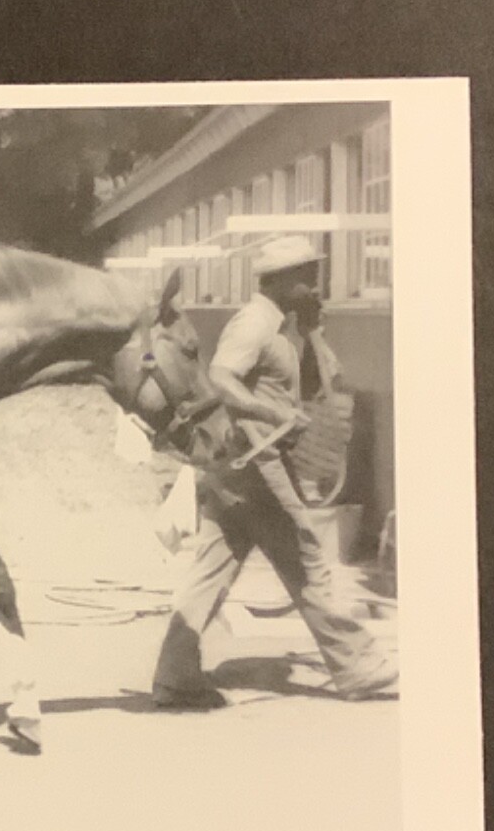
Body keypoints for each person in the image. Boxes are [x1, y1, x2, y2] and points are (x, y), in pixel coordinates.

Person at [152, 235, 399, 708]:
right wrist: (269, 415)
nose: (313, 284)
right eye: (306, 276)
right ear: (281, 280)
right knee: (305, 557)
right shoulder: (252, 323)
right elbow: (222, 379)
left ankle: (175, 676)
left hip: (243, 468)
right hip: (257, 462)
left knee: (211, 569)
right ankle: (358, 666)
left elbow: (319, 387)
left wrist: (313, 333)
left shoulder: (284, 328)